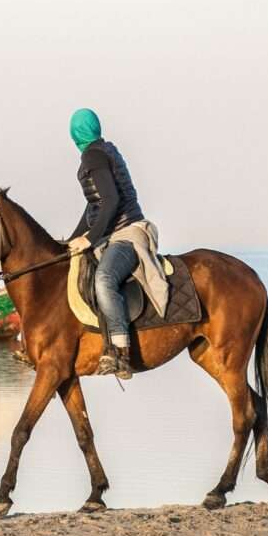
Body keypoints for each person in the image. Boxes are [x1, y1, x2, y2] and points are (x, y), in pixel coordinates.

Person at [66, 108, 167, 380]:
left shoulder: (94, 156)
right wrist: (69, 241)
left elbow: (111, 201)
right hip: (110, 235)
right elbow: (95, 205)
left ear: (75, 132)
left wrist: (88, 239)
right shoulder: (100, 152)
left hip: (126, 234)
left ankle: (121, 351)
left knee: (104, 279)